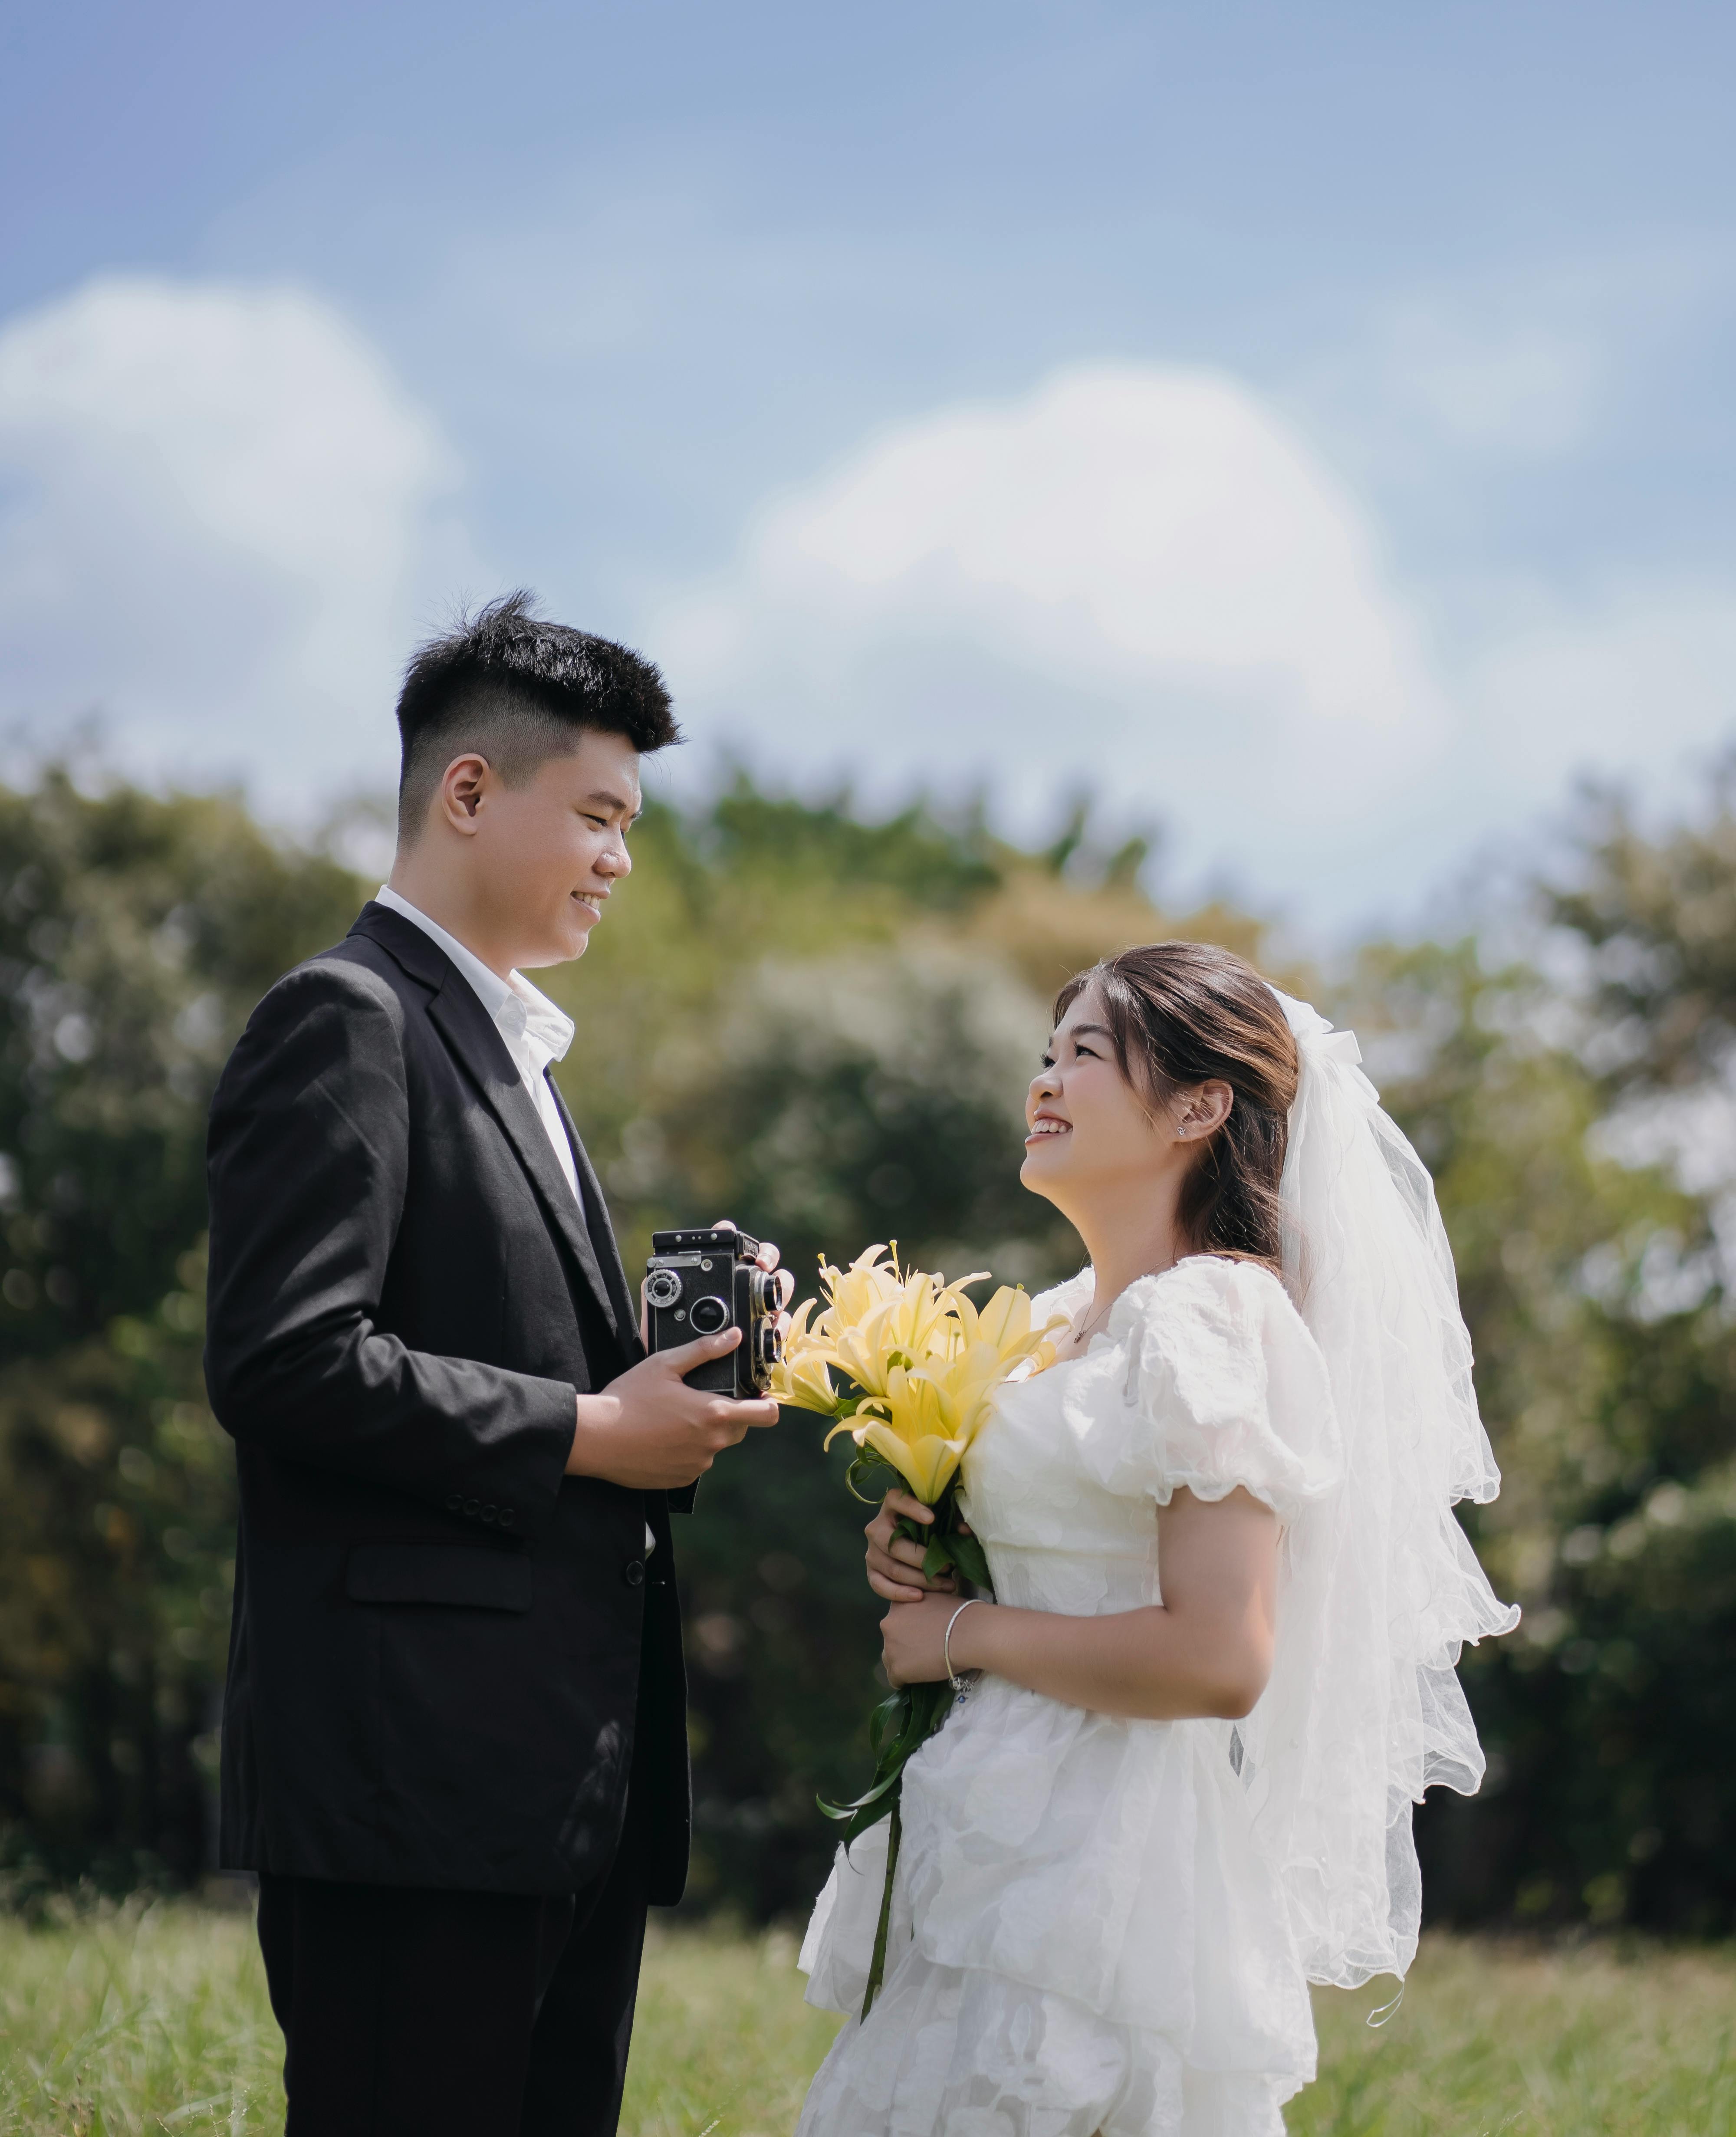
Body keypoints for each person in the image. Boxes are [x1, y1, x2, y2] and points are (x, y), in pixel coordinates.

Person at [204, 593, 780, 2137]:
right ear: (468, 791)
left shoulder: (513, 1048)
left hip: (551, 1791)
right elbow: (283, 1361)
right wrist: (594, 1428)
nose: (620, 859)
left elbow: (504, 1348)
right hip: (413, 1788)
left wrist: (669, 1372)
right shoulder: (347, 1017)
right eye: (597, 813)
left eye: (632, 826)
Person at [795, 940, 1518, 2137]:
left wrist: (961, 1632)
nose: (1044, 1082)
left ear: (1200, 1105)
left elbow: (1220, 1659)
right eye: (1045, 1054)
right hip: (984, 1812)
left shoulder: (1213, 1318)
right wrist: (933, 1542)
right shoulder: (1061, 1319)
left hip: (1106, 1850)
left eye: (1085, 1053)